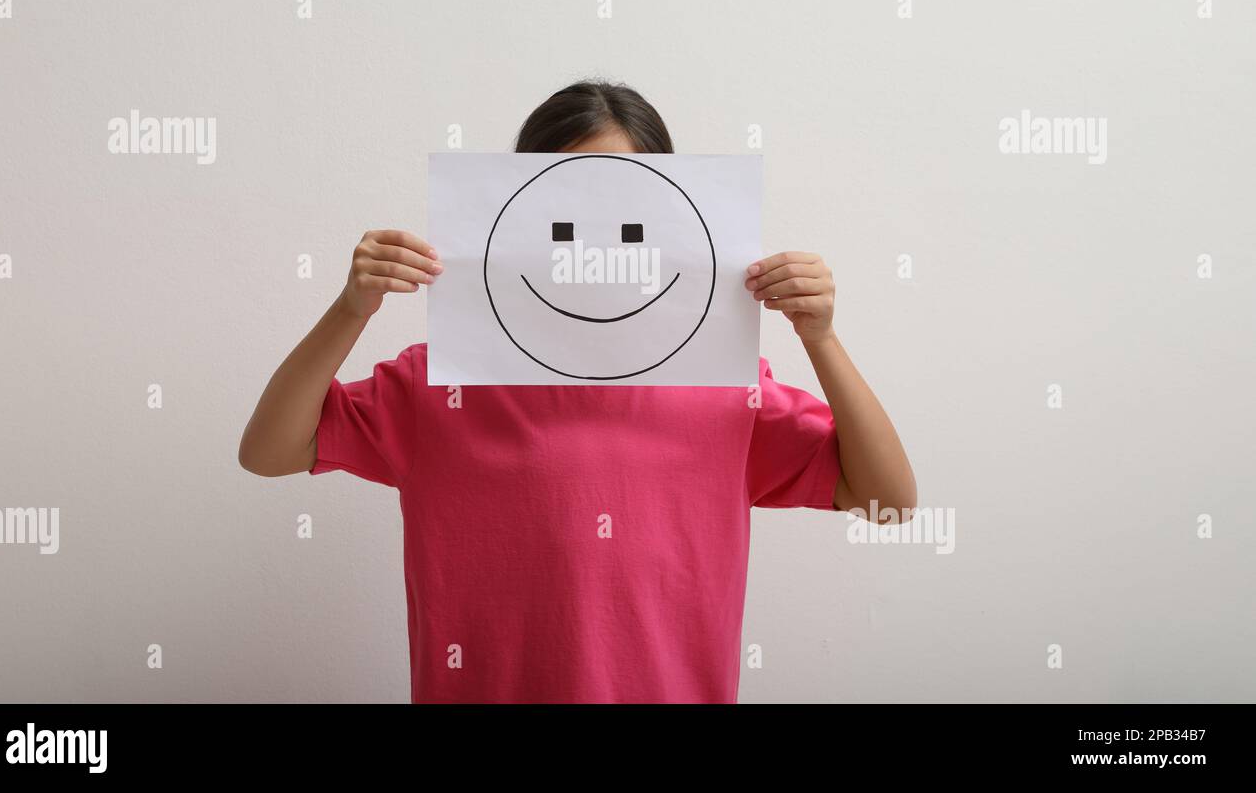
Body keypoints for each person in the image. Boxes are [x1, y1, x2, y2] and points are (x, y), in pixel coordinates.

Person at [238, 79, 916, 703]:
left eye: (627, 208)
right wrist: (352, 306)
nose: (593, 244)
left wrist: (819, 337)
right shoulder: (440, 383)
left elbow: (888, 501)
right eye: (564, 210)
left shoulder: (721, 389)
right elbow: (269, 451)